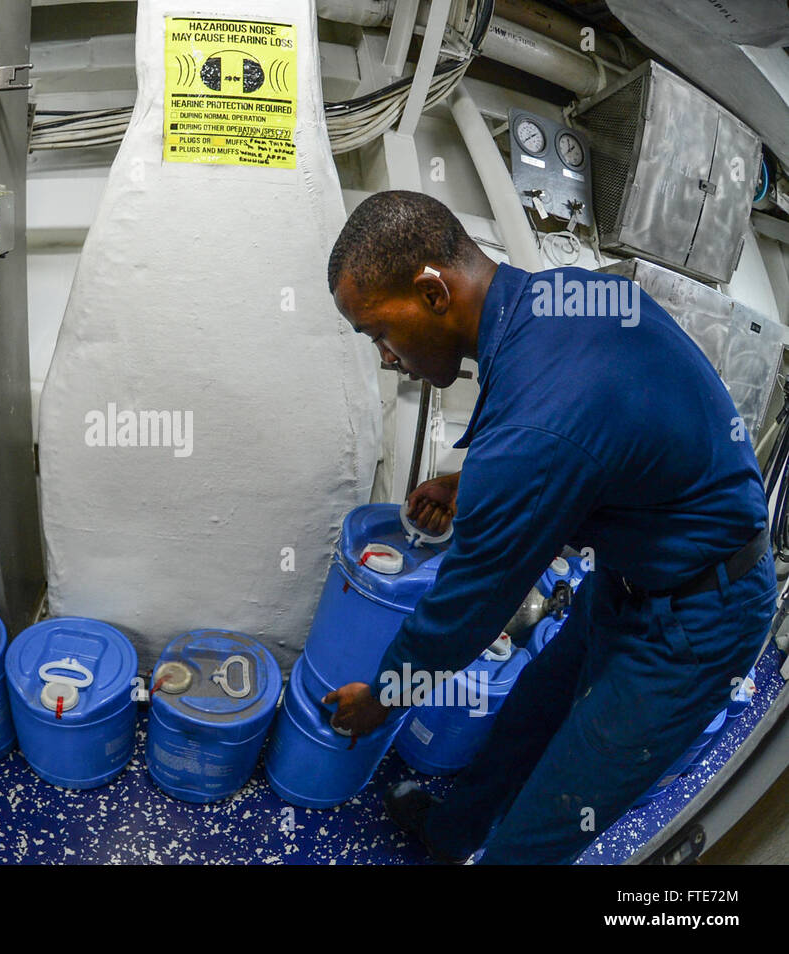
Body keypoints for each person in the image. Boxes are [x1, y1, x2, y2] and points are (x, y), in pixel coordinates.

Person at [322, 190, 775, 864]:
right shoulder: (564, 295)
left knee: (549, 822)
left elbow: (466, 611)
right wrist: (465, 484)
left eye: (378, 332)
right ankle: (449, 839)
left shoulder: (534, 432)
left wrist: (382, 699)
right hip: (629, 579)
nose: (386, 355)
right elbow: (601, 434)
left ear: (433, 292)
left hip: (700, 618)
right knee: (526, 719)